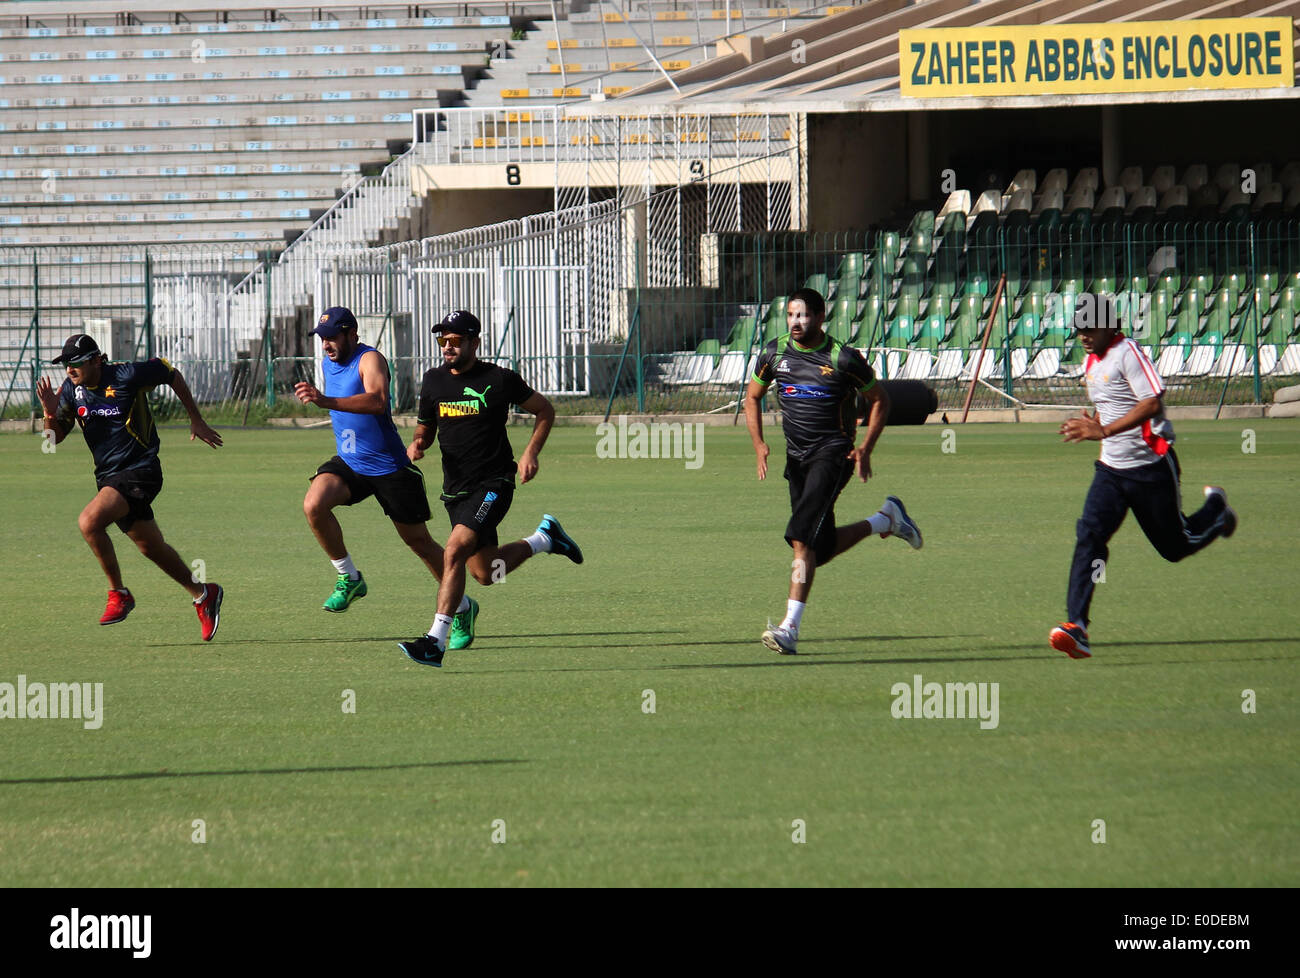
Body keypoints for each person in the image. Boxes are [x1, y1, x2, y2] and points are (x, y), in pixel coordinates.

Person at [1052, 293, 1237, 659]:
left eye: (1089, 328)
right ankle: (1077, 626)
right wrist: (1097, 423)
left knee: (1175, 547)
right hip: (1110, 471)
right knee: (1089, 536)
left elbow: (1152, 401)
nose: (1083, 336)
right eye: (1079, 330)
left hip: (1151, 467)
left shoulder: (1128, 352)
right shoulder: (1092, 360)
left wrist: (1103, 431)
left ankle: (1217, 512)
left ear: (1108, 325)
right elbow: (1113, 405)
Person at [744, 287, 923, 656]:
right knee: (819, 550)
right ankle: (885, 520)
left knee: (802, 540)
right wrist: (759, 444)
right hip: (797, 460)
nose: (797, 321)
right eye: (792, 315)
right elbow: (752, 397)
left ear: (821, 318)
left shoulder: (843, 358)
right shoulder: (774, 353)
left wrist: (866, 448)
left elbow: (880, 400)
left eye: (804, 315)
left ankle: (788, 628)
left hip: (834, 455)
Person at [400, 310, 583, 668]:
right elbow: (425, 427)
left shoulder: (500, 380)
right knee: (485, 573)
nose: (448, 347)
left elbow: (545, 410)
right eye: (443, 340)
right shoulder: (433, 380)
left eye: (456, 340)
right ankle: (545, 539)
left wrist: (531, 453)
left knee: (453, 551)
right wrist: (418, 443)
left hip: (494, 483)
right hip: (456, 490)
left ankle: (433, 642)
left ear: (474, 343)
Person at [293, 307, 482, 649]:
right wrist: (325, 400)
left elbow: (378, 401)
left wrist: (324, 400)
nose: (326, 345)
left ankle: (464, 607)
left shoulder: (370, 360)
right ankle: (349, 578)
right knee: (314, 505)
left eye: (333, 337)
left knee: (419, 543)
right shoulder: (326, 363)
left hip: (389, 468)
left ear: (352, 334)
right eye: (322, 339)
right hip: (351, 463)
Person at [35, 333, 225, 641]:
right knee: (150, 547)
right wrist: (49, 413)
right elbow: (52, 441)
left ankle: (118, 593)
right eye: (66, 364)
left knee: (89, 522)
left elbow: (169, 372)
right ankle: (204, 593)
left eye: (76, 363)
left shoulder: (126, 374)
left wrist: (197, 420)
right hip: (109, 478)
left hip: (141, 470)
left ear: (96, 360)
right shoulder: (71, 390)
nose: (69, 370)